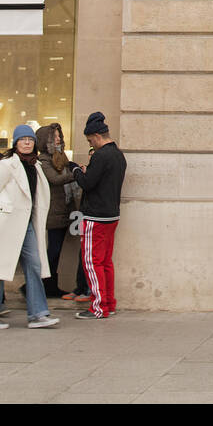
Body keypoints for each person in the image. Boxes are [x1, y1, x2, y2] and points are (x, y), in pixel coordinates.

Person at [0, 125, 59, 330]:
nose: (27, 142)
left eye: (30, 139)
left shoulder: (36, 166)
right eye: (23, 139)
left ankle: (38, 314)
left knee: (34, 265)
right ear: (15, 142)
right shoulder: (6, 165)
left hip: (27, 225)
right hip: (6, 223)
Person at [74, 111, 126, 320]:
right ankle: (109, 303)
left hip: (95, 217)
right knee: (105, 262)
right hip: (112, 215)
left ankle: (98, 307)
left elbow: (88, 183)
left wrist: (78, 171)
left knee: (92, 263)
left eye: (90, 141)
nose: (91, 144)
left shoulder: (101, 156)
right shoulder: (118, 155)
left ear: (96, 136)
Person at [35, 123, 75, 298]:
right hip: (52, 213)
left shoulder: (60, 157)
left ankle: (50, 286)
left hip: (62, 211)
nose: (59, 139)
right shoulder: (43, 160)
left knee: (56, 251)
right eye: (55, 136)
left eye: (59, 135)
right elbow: (56, 179)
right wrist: (76, 172)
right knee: (52, 251)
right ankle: (35, 285)